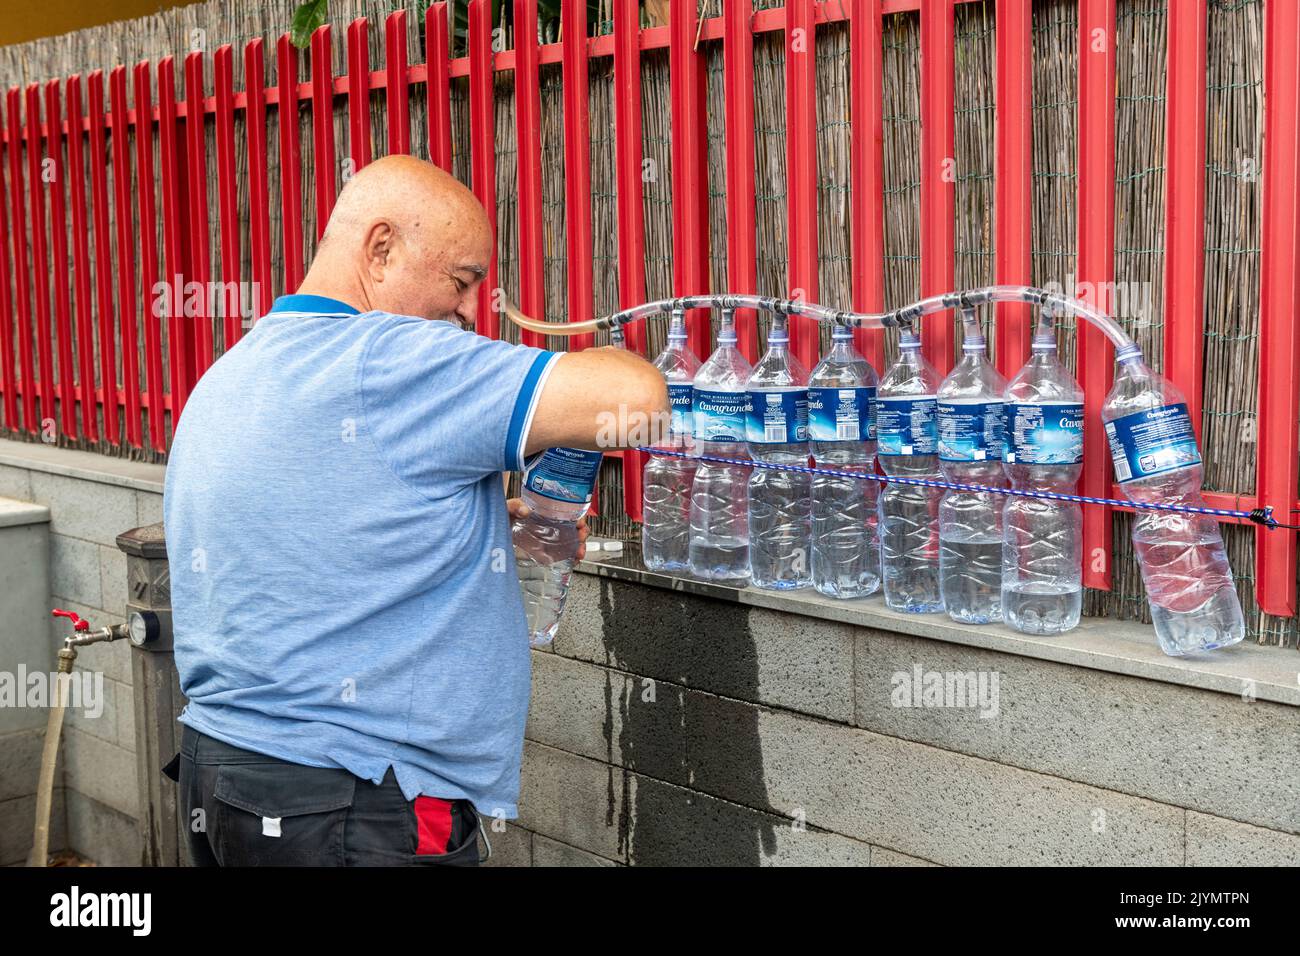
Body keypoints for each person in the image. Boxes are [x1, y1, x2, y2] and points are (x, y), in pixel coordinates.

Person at [161, 154, 667, 866]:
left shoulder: (234, 371)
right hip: (353, 804)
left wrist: (477, 532)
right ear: (380, 248)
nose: (467, 311)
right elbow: (635, 406)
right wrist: (619, 353)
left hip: (227, 776)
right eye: (461, 281)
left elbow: (324, 526)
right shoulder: (391, 357)